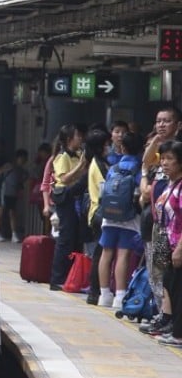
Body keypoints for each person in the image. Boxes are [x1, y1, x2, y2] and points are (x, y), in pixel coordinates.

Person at [139, 107, 181, 332]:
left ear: (178, 124)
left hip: (175, 225)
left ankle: (170, 318)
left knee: (170, 275)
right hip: (157, 221)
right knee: (157, 271)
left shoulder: (179, 151)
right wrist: (155, 141)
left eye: (167, 121)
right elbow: (145, 164)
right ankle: (163, 315)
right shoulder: (158, 150)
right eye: (158, 121)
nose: (162, 125)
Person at [96, 131, 143, 309]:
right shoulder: (139, 168)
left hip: (109, 215)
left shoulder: (113, 168)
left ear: (122, 147)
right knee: (123, 254)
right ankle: (120, 296)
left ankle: (104, 294)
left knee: (106, 253)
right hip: (129, 217)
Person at [48, 124, 88, 291]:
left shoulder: (78, 154)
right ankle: (57, 278)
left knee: (75, 237)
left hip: (77, 197)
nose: (80, 139)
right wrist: (80, 165)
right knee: (65, 238)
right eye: (77, 136)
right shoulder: (62, 156)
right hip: (65, 198)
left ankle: (72, 276)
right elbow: (64, 179)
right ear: (69, 139)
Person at [154, 141, 182, 346]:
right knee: (170, 285)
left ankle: (179, 334)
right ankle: (173, 327)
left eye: (170, 159)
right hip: (169, 244)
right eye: (162, 158)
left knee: (178, 289)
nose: (164, 163)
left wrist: (180, 248)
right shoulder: (170, 184)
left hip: (178, 246)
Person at [82, 127, 112, 304]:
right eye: (107, 144)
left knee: (100, 253)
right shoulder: (99, 164)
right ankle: (94, 291)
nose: (109, 147)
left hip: (97, 212)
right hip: (99, 213)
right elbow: (106, 187)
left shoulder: (99, 161)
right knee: (100, 253)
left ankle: (95, 291)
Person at [0, 149, 28, 242]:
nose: (24, 161)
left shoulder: (21, 170)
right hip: (5, 191)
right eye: (22, 159)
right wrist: (5, 169)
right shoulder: (9, 166)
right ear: (18, 158)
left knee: (12, 213)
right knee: (1, 210)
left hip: (13, 192)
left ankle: (14, 234)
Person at [28, 142, 52, 235]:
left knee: (46, 216)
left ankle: (46, 234)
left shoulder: (48, 162)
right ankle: (46, 234)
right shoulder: (40, 162)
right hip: (41, 190)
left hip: (44, 190)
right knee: (44, 216)